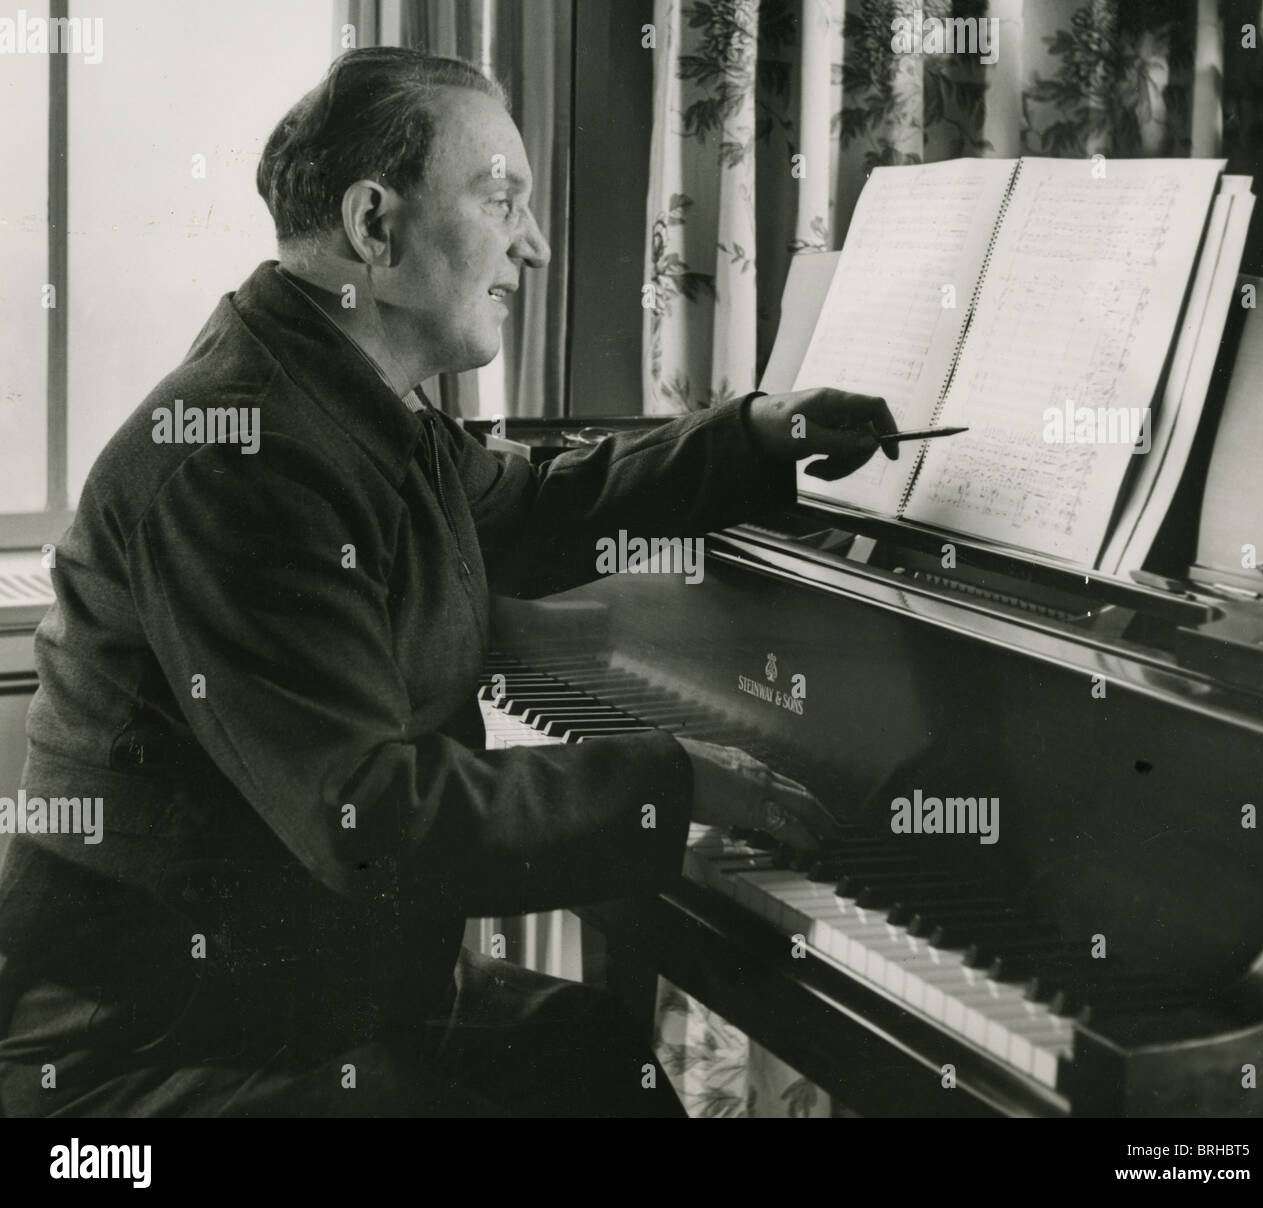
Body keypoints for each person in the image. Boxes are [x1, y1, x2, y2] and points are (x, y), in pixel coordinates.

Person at [0, 48, 896, 1117]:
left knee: (591, 1055)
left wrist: (755, 437)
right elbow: (369, 815)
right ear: (374, 225)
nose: (538, 243)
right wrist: (678, 779)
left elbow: (528, 509)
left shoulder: (347, 395)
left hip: (297, 995)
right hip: (153, 1046)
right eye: (499, 196)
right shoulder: (238, 461)